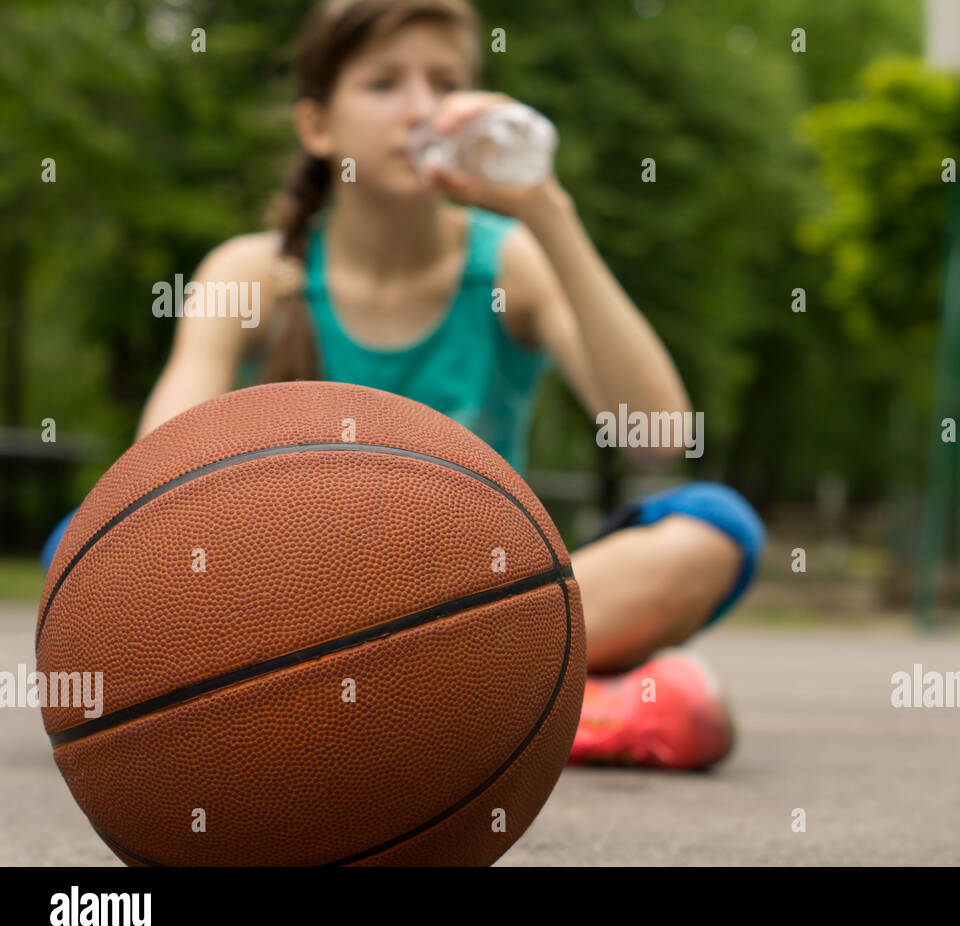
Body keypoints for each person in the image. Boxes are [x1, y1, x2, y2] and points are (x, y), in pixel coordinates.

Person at [40, 0, 764, 770]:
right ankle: (539, 711)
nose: (422, 109)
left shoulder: (509, 261)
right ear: (318, 127)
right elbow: (155, 479)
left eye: (445, 82)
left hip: (471, 599)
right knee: (82, 552)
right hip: (284, 601)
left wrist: (550, 211)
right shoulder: (252, 273)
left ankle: (337, 703)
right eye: (384, 83)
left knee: (713, 528)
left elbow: (657, 439)